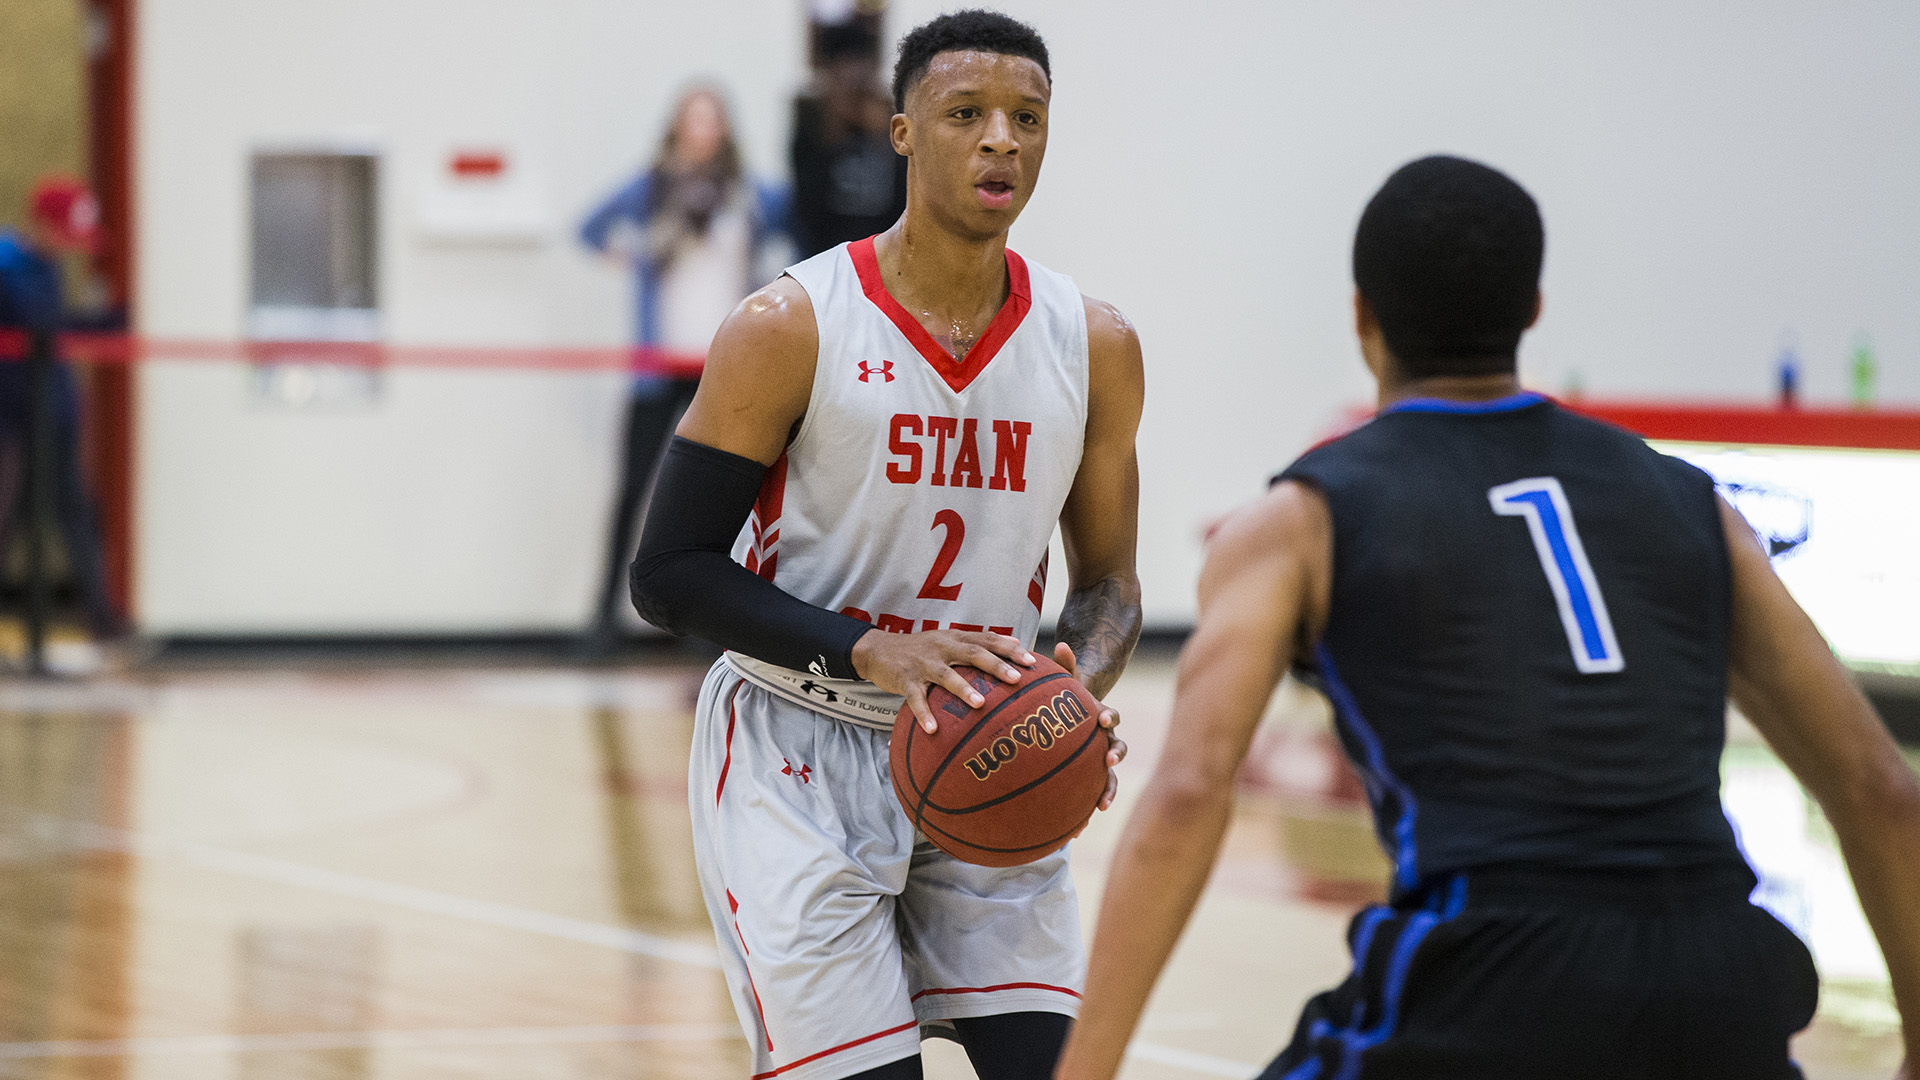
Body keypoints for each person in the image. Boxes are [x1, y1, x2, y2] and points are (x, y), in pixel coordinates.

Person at [1057, 156, 1920, 1080]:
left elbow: (1189, 791)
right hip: (1722, 976)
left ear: (1362, 317)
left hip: (1487, 970)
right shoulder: (1696, 503)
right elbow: (1881, 790)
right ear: (1534, 308)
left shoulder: (1297, 520)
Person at [629, 11, 1144, 1079]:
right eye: (968, 114)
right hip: (798, 751)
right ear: (904, 133)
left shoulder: (1093, 345)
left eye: (1027, 119)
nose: (1002, 139)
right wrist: (867, 647)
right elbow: (667, 576)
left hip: (985, 740)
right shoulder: (788, 327)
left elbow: (1110, 587)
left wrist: (1076, 694)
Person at [577, 86, 789, 654]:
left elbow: (797, 228)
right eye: (692, 120)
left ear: (724, 128)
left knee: (722, 500)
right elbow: (588, 228)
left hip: (722, 365)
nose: (701, 131)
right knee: (632, 490)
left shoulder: (749, 194)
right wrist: (631, 256)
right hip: (658, 365)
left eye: (710, 120)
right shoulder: (651, 187)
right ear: (676, 127)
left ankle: (708, 623)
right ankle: (603, 620)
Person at [0, 175, 124, 642]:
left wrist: (102, 323)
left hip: (54, 410)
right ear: (42, 224)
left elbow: (53, 329)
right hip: (9, 417)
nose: (72, 247)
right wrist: (91, 325)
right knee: (5, 518)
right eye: (68, 235)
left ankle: (103, 623)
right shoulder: (8, 263)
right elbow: (40, 327)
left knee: (75, 511)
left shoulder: (46, 268)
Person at [790, 19, 908, 258]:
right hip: (824, 252)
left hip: (885, 250)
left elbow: (907, 194)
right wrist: (832, 132)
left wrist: (885, 138)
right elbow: (805, 205)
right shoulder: (812, 120)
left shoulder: (890, 115)